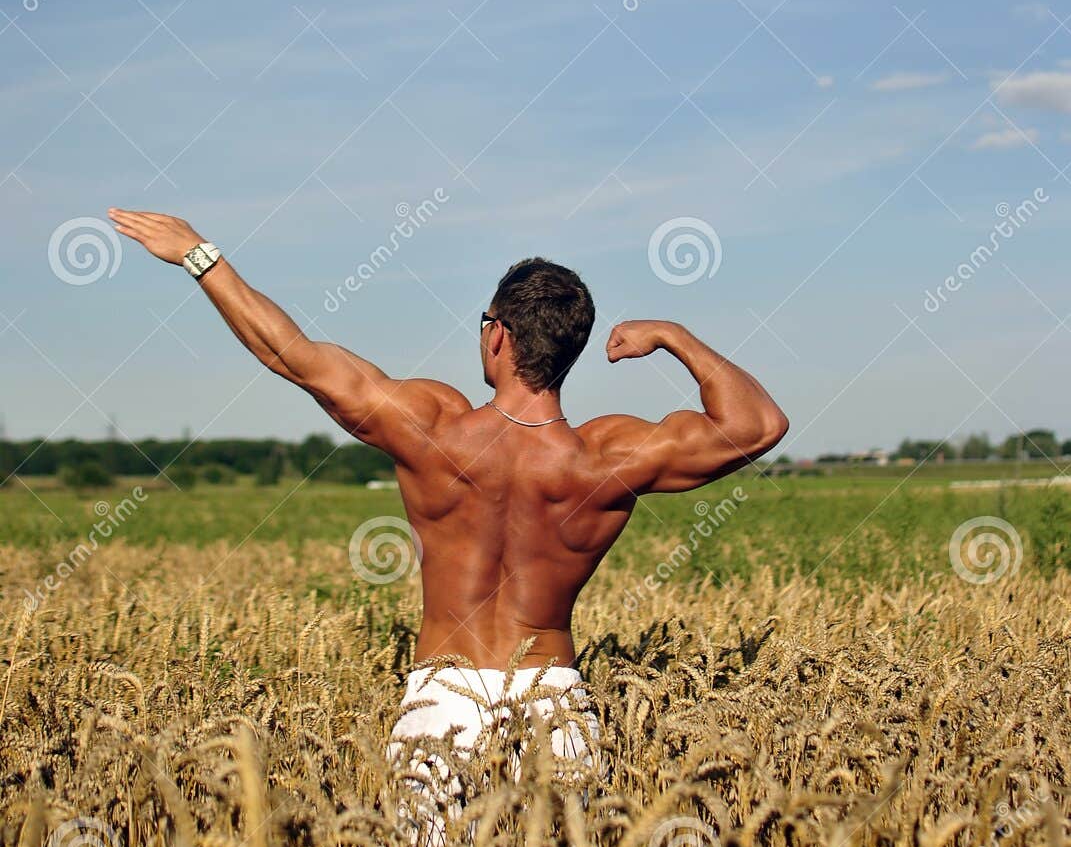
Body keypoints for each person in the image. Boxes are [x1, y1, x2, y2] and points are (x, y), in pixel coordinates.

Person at [107, 210, 788, 814]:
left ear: (497, 336)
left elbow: (293, 357)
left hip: (443, 702)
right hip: (552, 702)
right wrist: (672, 335)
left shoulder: (433, 428)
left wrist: (200, 255)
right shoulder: (604, 457)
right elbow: (756, 425)